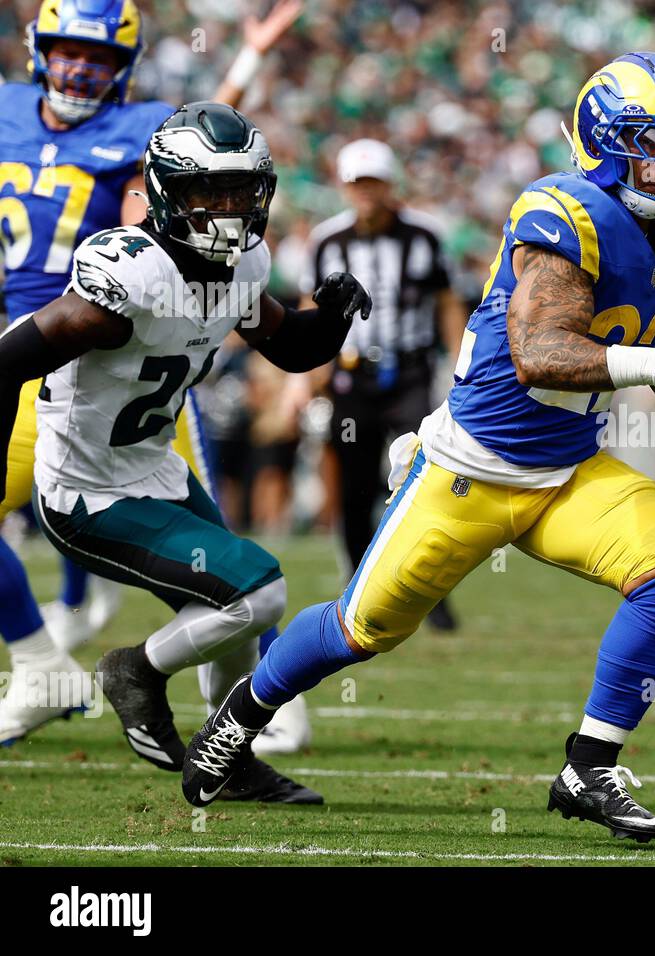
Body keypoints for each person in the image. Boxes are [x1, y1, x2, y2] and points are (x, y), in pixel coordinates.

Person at [181, 53, 655, 843]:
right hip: (470, 469)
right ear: (604, 138)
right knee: (360, 629)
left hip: (567, 467)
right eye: (654, 143)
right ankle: (241, 714)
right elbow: (540, 351)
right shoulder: (565, 214)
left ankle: (588, 766)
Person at [0, 101, 370, 801]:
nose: (228, 207)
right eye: (209, 191)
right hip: (88, 491)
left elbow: (288, 344)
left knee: (237, 615)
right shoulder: (128, 275)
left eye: (241, 191)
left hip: (155, 470)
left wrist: (334, 318)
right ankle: (133, 670)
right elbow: (9, 358)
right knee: (259, 588)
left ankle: (227, 757)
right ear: (170, 193)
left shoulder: (242, 266)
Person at [0, 0, 303, 746]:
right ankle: (44, 660)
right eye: (70, 51)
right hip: (35, 353)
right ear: (39, 49)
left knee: (208, 544)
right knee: (195, 549)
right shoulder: (7, 108)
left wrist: (250, 59)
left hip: (138, 345)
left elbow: (206, 152)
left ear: (125, 68)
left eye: (100, 58)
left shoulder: (137, 131)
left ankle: (262, 704)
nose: (81, 68)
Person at [300, 138, 467, 630]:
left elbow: (447, 302)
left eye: (374, 182)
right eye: (358, 183)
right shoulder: (328, 241)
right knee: (351, 488)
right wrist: (314, 374)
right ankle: (357, 588)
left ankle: (428, 590)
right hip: (352, 375)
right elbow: (313, 312)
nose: (366, 193)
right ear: (345, 187)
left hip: (411, 373)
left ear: (390, 185)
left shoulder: (425, 236)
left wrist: (460, 367)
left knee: (426, 478)